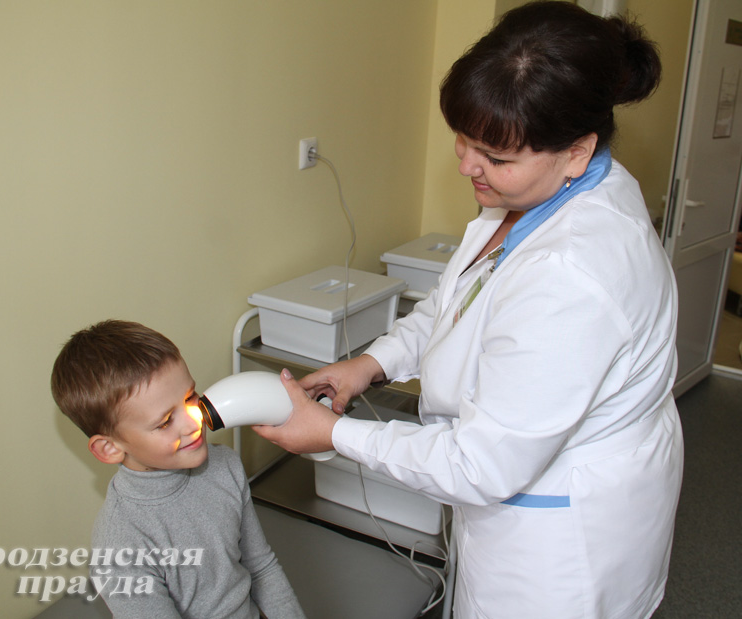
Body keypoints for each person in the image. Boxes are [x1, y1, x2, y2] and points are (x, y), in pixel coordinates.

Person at [254, 2, 684, 617]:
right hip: (517, 488)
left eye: (496, 157)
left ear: (577, 151)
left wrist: (333, 434)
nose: (466, 165)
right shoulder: (543, 193)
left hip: (561, 547)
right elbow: (458, 302)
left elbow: (481, 462)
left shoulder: (575, 277)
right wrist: (370, 364)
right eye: (464, 139)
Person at [51, 319, 305, 619]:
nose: (193, 421)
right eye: (164, 422)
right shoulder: (120, 545)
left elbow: (260, 566)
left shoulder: (224, 465)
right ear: (111, 448)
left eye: (190, 398)